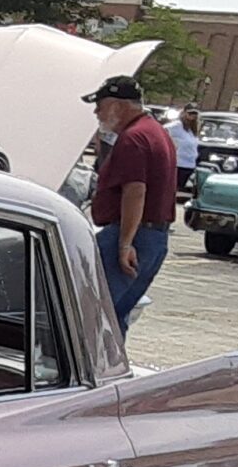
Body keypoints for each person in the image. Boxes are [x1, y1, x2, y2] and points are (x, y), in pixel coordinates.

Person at [84, 73, 177, 327]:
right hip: (153, 237)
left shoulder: (133, 138)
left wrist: (125, 244)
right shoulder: (156, 132)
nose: (97, 114)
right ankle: (113, 366)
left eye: (100, 106)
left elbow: (135, 191)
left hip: (134, 236)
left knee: (95, 316)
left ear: (117, 105)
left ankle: (93, 367)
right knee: (115, 318)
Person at [171, 106, 201, 197]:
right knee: (173, 189)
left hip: (189, 165)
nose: (192, 116)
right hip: (179, 164)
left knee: (179, 189)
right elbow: (163, 130)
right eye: (190, 113)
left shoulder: (192, 130)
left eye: (195, 114)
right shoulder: (177, 125)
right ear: (184, 113)